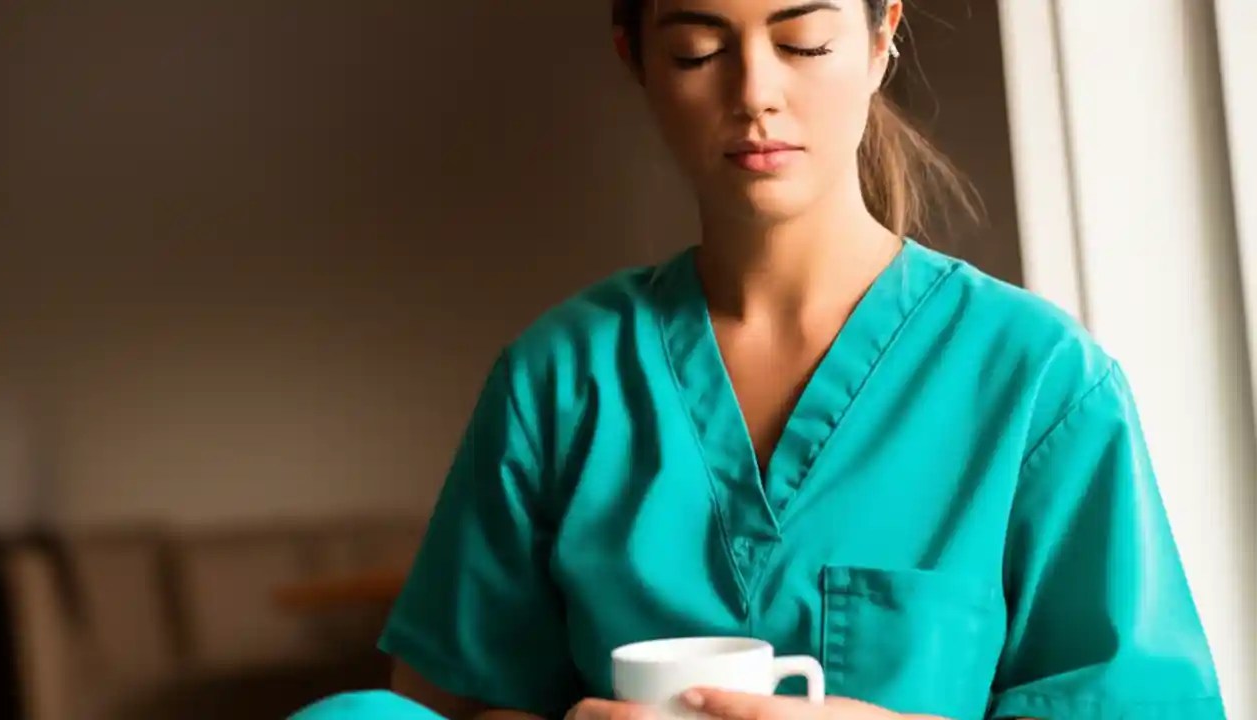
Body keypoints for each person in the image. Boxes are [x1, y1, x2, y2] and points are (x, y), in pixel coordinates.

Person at [378, 1, 1226, 719]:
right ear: (635, 60)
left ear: (880, 37)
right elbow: (434, 704)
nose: (755, 94)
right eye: (696, 51)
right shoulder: (559, 380)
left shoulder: (1039, 383)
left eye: (805, 43)